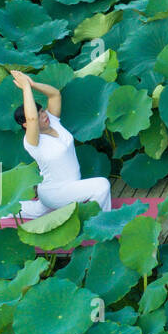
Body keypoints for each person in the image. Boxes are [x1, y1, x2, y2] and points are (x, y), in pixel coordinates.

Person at [12, 70, 112, 221]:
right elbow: (31, 118)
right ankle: (102, 222)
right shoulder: (32, 141)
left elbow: (54, 95)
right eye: (38, 115)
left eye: (42, 111)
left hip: (70, 187)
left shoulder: (52, 120)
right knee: (102, 185)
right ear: (26, 125)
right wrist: (25, 88)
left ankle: (0, 207)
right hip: (54, 192)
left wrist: (32, 84)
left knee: (33, 211)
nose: (43, 115)